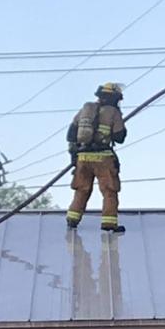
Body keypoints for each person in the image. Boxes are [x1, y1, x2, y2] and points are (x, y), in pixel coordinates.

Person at [66, 82, 127, 232]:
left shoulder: (85, 110)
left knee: (81, 189)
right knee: (109, 190)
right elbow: (119, 137)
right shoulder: (113, 112)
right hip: (103, 158)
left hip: (83, 157)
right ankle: (109, 223)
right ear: (114, 98)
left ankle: (72, 219)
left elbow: (71, 135)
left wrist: (75, 155)